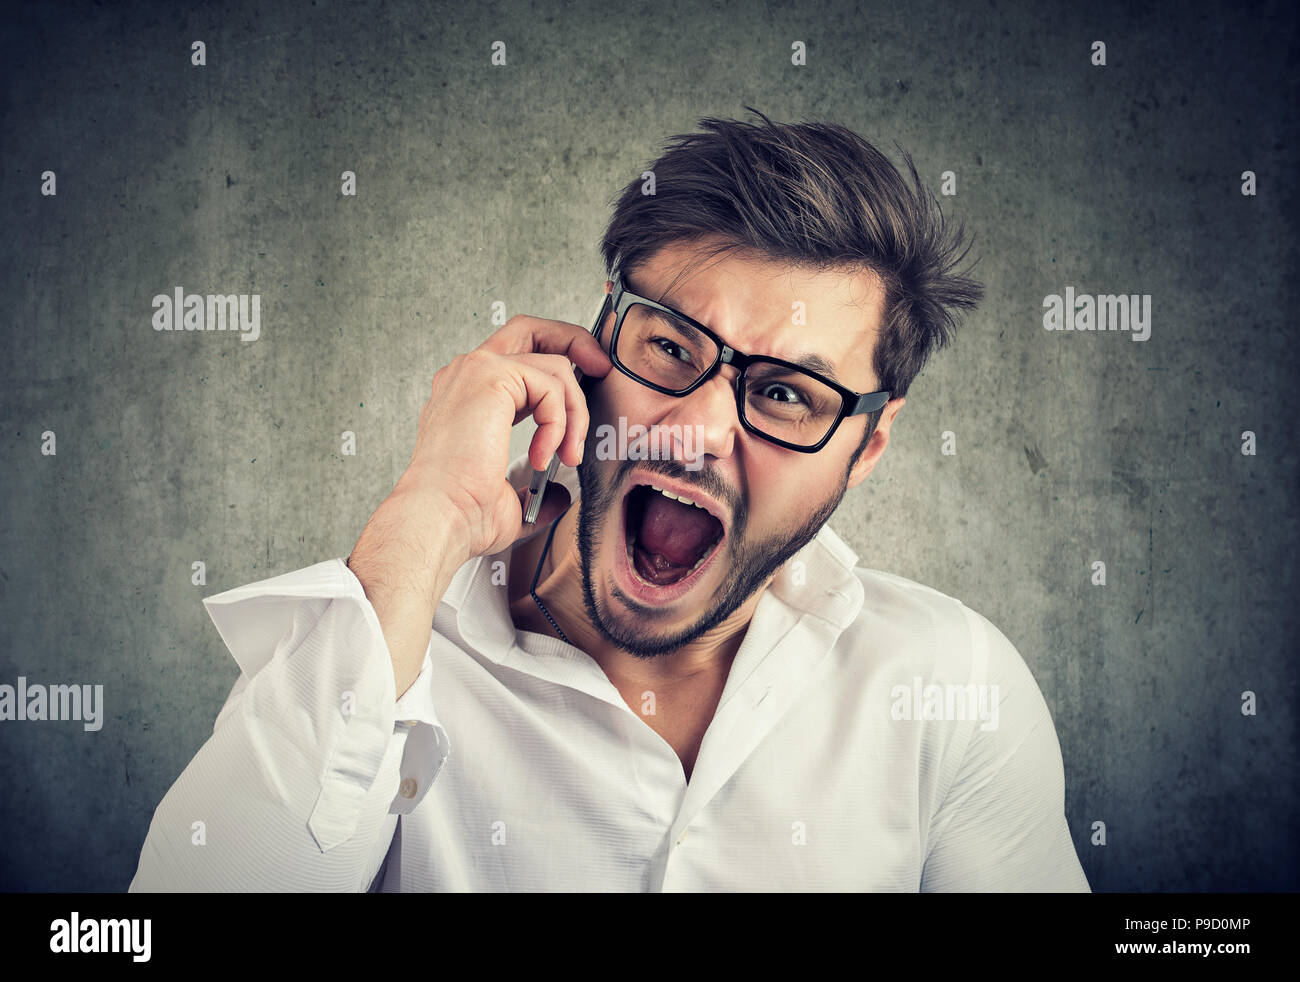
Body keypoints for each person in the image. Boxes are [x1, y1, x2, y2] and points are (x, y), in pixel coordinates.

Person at [130, 109, 1090, 891]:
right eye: (670, 346)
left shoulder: (947, 688)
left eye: (787, 394)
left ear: (866, 445)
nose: (695, 430)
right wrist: (427, 510)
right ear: (589, 343)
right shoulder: (388, 655)